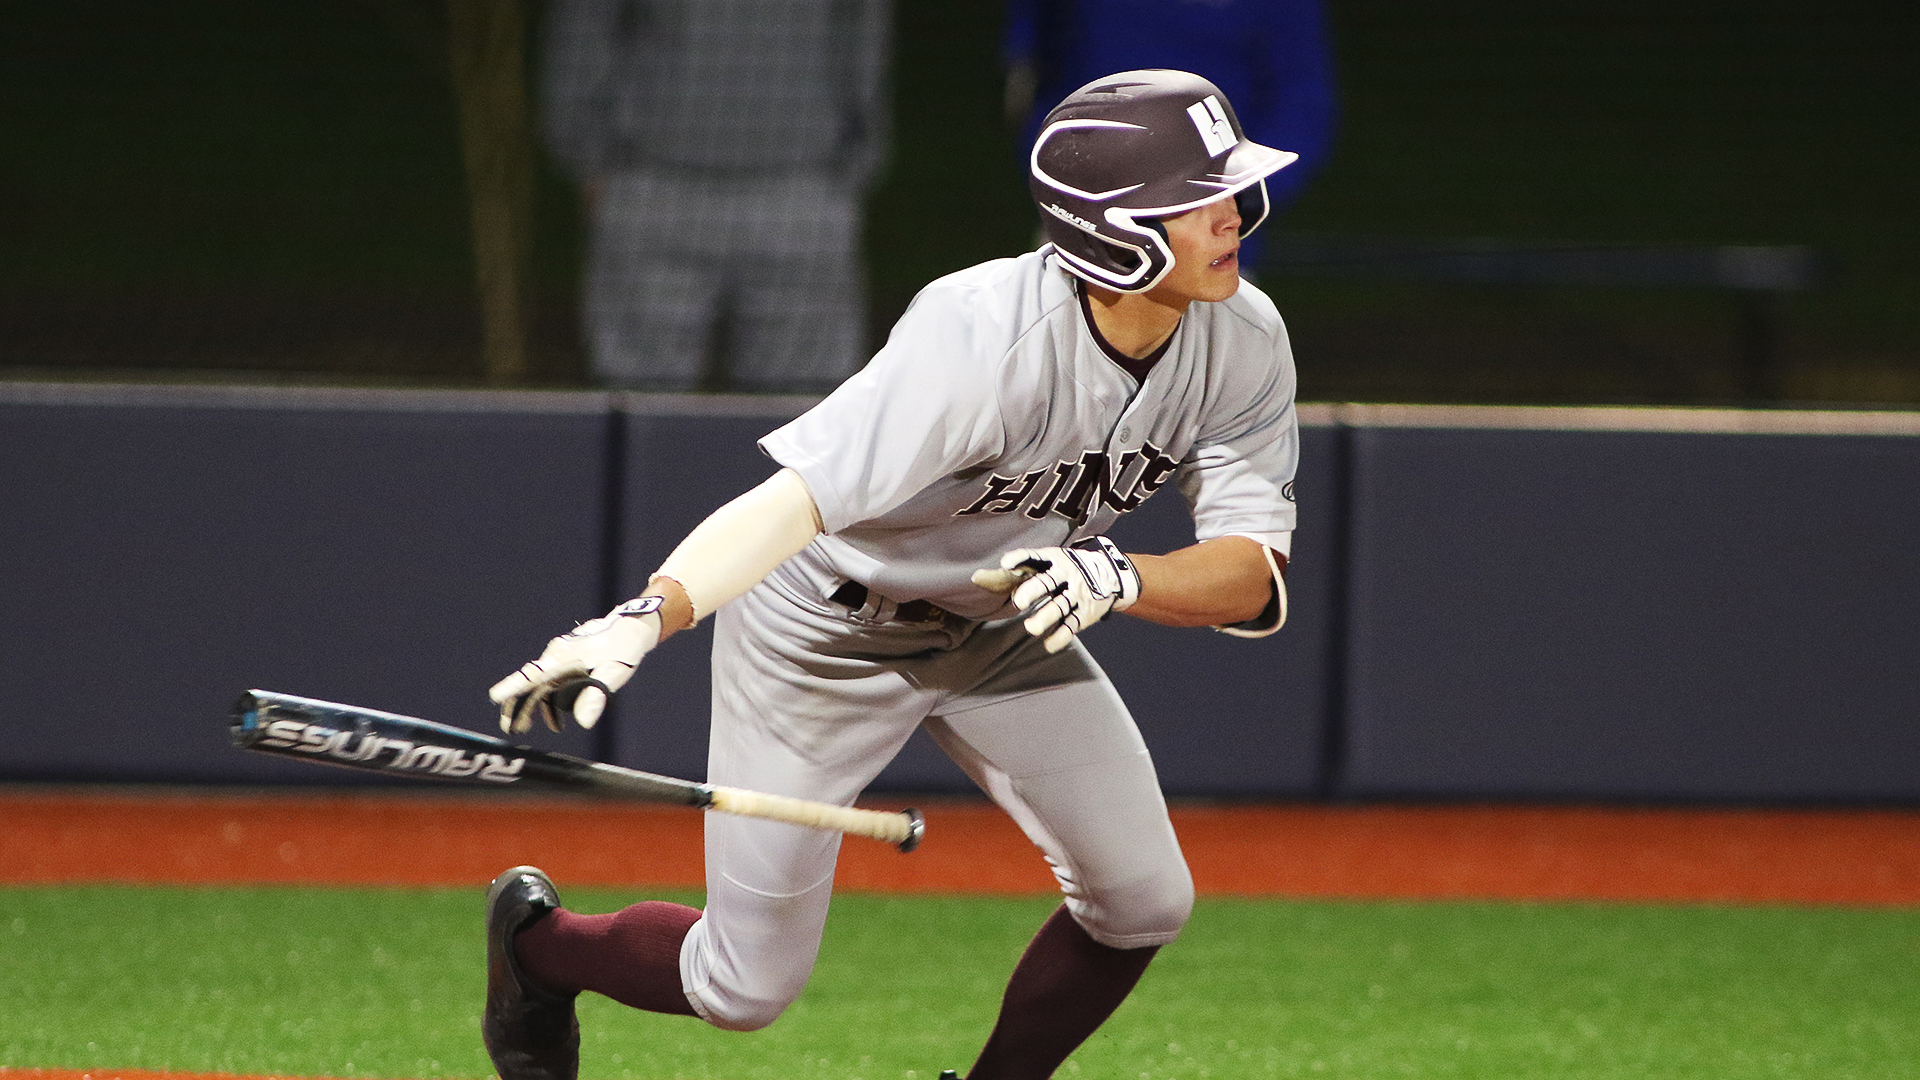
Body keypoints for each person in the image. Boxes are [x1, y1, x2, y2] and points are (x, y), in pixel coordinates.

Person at [482, 70, 1303, 1080]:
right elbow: (793, 504)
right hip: (825, 633)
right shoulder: (977, 337)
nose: (1232, 216)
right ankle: (537, 950)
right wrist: (643, 618)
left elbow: (1253, 575)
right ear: (1112, 231)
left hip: (1000, 628)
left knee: (1144, 899)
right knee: (742, 991)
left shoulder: (1246, 340)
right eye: (1196, 200)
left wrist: (1122, 580)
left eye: (1229, 190)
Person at [538, 0, 889, 392]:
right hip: (711, 186)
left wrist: (589, 152)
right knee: (797, 421)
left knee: (650, 418)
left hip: (715, 188)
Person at [1002, 0, 1336, 272]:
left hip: (1208, 228)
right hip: (1084, 221)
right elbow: (1030, 69)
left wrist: (1226, 199)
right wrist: (1059, 181)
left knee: (1216, 347)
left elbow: (1302, 102)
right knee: (1061, 345)